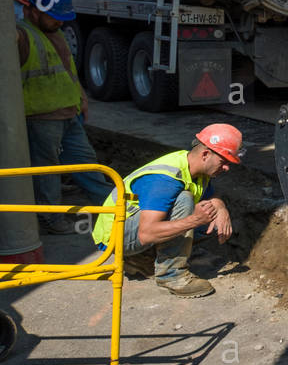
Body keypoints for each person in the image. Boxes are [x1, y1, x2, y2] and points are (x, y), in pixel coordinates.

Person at [91, 124, 243, 298]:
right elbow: (146, 234)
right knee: (186, 200)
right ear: (205, 154)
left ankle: (143, 257)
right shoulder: (165, 180)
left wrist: (221, 207)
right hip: (115, 238)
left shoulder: (195, 168)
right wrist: (194, 220)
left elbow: (211, 194)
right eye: (224, 162)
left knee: (209, 210)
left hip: (134, 226)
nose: (227, 168)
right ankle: (171, 275)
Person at [15, 0, 114, 234]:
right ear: (33, 11)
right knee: (47, 170)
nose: (60, 22)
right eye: (54, 17)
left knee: (86, 164)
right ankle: (51, 219)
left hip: (70, 113)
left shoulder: (55, 32)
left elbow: (67, 72)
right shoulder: (21, 35)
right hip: (41, 117)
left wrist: (81, 97)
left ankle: (114, 209)